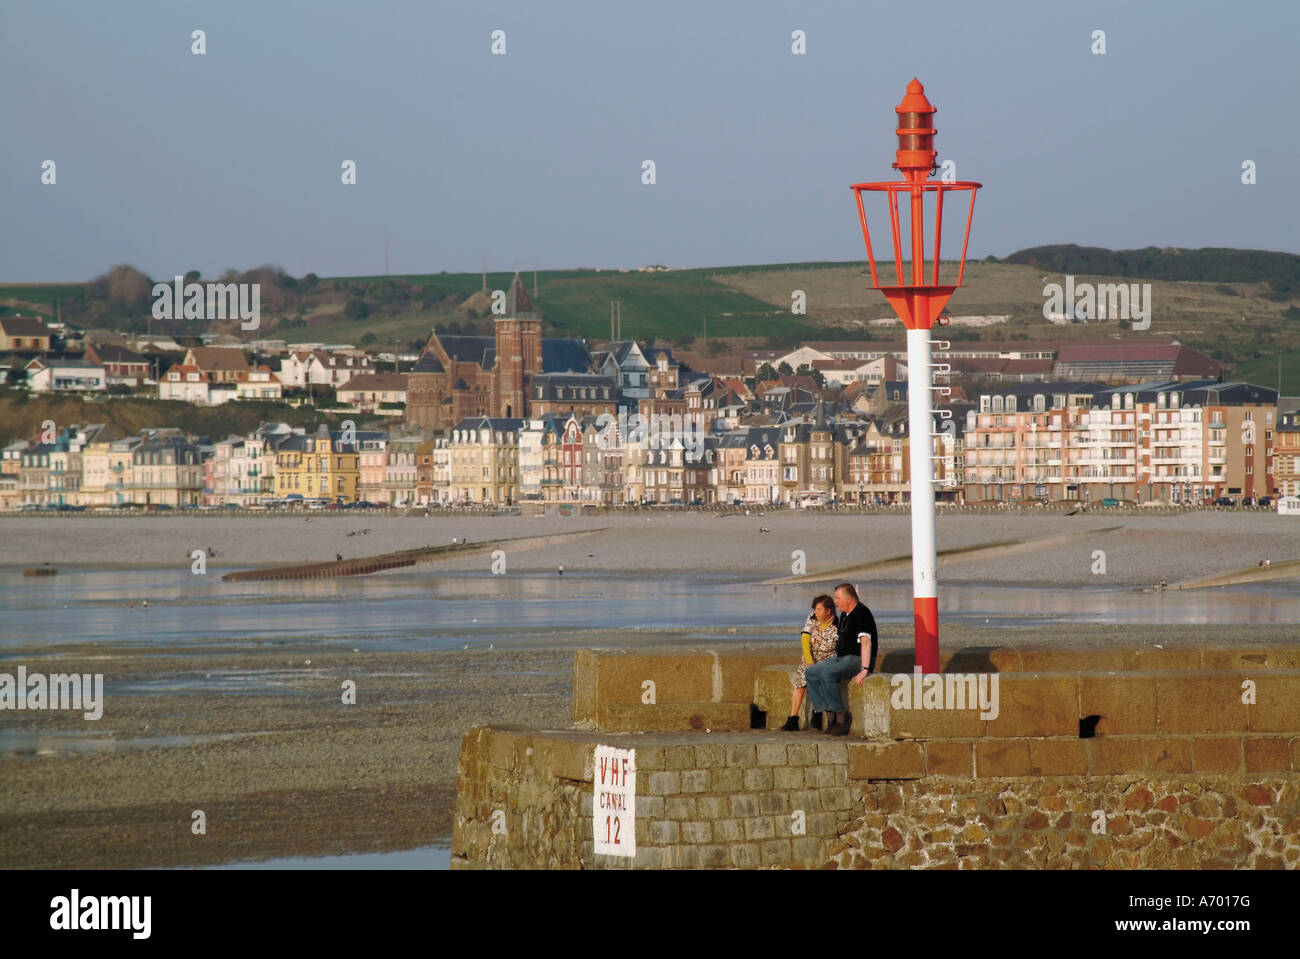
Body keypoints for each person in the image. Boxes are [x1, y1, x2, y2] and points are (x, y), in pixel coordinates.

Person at [804, 582, 879, 737]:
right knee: (811, 672)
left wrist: (865, 670)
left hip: (857, 659)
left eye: (838, 598)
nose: (835, 602)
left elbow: (866, 642)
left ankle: (841, 717)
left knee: (827, 674)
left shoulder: (861, 613)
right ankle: (827, 713)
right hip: (842, 658)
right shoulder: (845, 614)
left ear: (849, 599)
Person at [780, 595, 838, 731]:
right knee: (800, 684)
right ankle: (793, 719)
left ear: (828, 611)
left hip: (827, 659)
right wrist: (810, 662)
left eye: (819, 609)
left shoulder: (838, 625)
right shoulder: (812, 617)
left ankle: (817, 714)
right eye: (815, 609)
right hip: (809, 658)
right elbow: (805, 638)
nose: (815, 612)